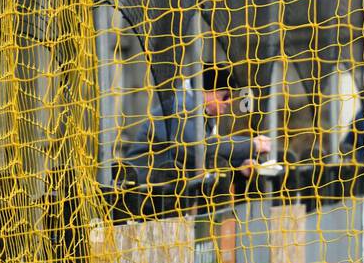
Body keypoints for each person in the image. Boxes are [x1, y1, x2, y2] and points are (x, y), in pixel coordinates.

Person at [116, 64, 271, 183]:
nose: (230, 102)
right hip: (142, 190)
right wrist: (252, 145)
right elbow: (198, 147)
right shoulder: (179, 107)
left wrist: (240, 163)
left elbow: (207, 152)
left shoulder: (202, 113)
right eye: (225, 96)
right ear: (206, 92)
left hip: (167, 189)